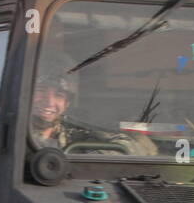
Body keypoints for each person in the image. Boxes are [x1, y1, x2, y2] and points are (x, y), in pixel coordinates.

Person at [30, 54, 158, 156]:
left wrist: (87, 160)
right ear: (26, 94)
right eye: (41, 90)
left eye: (59, 94)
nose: (49, 102)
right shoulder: (12, 136)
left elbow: (137, 147)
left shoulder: (76, 137)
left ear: (66, 104)